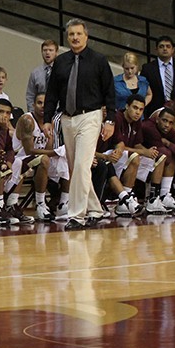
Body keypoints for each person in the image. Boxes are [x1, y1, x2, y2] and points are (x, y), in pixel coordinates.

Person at [43, 18, 116, 230]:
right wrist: (48, 119)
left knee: (83, 165)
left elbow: (109, 93)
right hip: (67, 118)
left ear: (86, 36)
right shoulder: (61, 61)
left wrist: (109, 119)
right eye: (71, 34)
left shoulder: (99, 60)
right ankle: (95, 209)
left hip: (90, 116)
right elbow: (52, 93)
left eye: (78, 34)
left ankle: (77, 215)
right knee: (76, 169)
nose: (75, 37)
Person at [9, 92, 69, 221]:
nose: (42, 106)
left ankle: (63, 203)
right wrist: (55, 152)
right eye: (39, 103)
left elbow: (48, 148)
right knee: (45, 159)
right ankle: (40, 204)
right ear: (33, 105)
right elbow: (30, 150)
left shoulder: (50, 122)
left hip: (39, 159)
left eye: (45, 103)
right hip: (20, 158)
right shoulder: (27, 120)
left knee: (67, 160)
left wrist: (59, 153)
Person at [140, 35, 175, 116]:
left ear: (173, 49)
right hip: (155, 112)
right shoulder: (148, 69)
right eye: (161, 46)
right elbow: (143, 92)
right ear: (156, 49)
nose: (165, 49)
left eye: (168, 46)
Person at [25, 40, 57, 114]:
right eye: (45, 50)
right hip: (39, 112)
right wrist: (32, 113)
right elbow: (30, 95)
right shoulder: (35, 73)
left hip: (56, 112)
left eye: (51, 50)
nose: (47, 53)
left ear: (56, 52)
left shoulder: (61, 71)